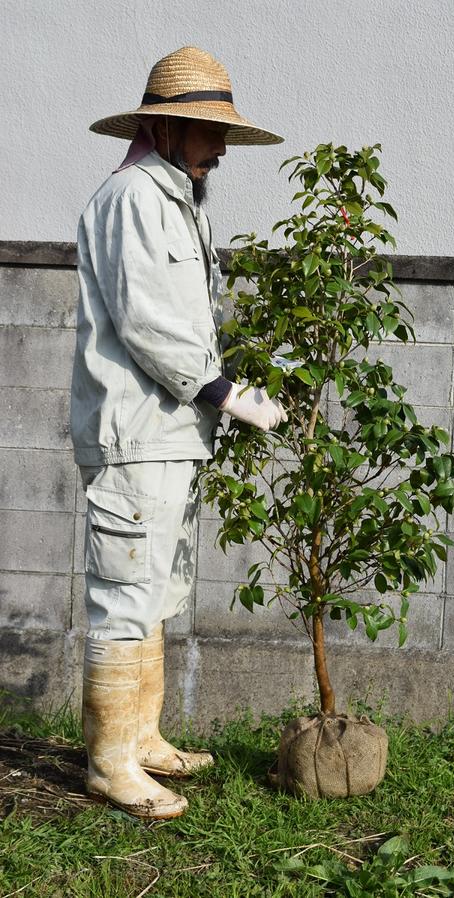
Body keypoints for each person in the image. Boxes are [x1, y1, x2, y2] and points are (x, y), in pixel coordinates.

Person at [70, 46, 287, 819]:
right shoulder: (133, 197)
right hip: (135, 431)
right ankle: (109, 764)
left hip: (171, 431)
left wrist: (232, 381)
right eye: (209, 131)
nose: (220, 148)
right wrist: (226, 394)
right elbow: (146, 321)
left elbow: (190, 318)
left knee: (157, 588)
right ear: (164, 127)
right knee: (126, 592)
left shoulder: (178, 199)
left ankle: (143, 739)